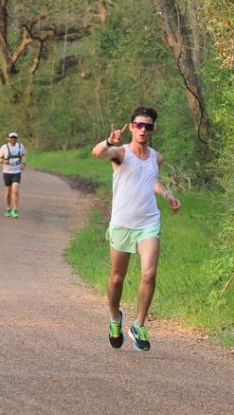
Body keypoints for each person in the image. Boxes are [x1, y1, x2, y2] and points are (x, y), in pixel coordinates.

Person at [91, 106, 181, 351]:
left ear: (153, 130)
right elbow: (97, 153)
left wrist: (167, 194)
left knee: (149, 274)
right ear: (131, 127)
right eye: (139, 125)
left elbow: (151, 179)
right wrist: (109, 141)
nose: (143, 130)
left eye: (147, 126)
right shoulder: (121, 153)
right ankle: (114, 318)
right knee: (117, 278)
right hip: (122, 223)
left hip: (148, 223)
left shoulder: (156, 158)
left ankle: (139, 324)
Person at [0, 131, 26, 218]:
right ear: (9, 138)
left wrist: (23, 163)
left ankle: (15, 210)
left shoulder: (20, 146)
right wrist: (2, 161)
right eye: (12, 137)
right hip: (7, 172)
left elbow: (23, 155)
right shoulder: (4, 147)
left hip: (16, 172)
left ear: (16, 139)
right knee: (8, 192)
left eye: (15, 138)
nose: (13, 139)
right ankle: (8, 208)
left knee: (15, 190)